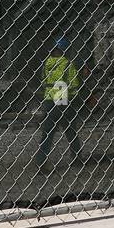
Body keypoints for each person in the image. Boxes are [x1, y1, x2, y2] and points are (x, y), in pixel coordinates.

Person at [35, 36, 82, 169]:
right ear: (65, 49)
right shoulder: (68, 63)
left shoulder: (46, 64)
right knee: (71, 131)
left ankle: (40, 162)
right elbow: (74, 85)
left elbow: (43, 82)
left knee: (47, 134)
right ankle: (77, 159)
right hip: (63, 102)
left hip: (49, 101)